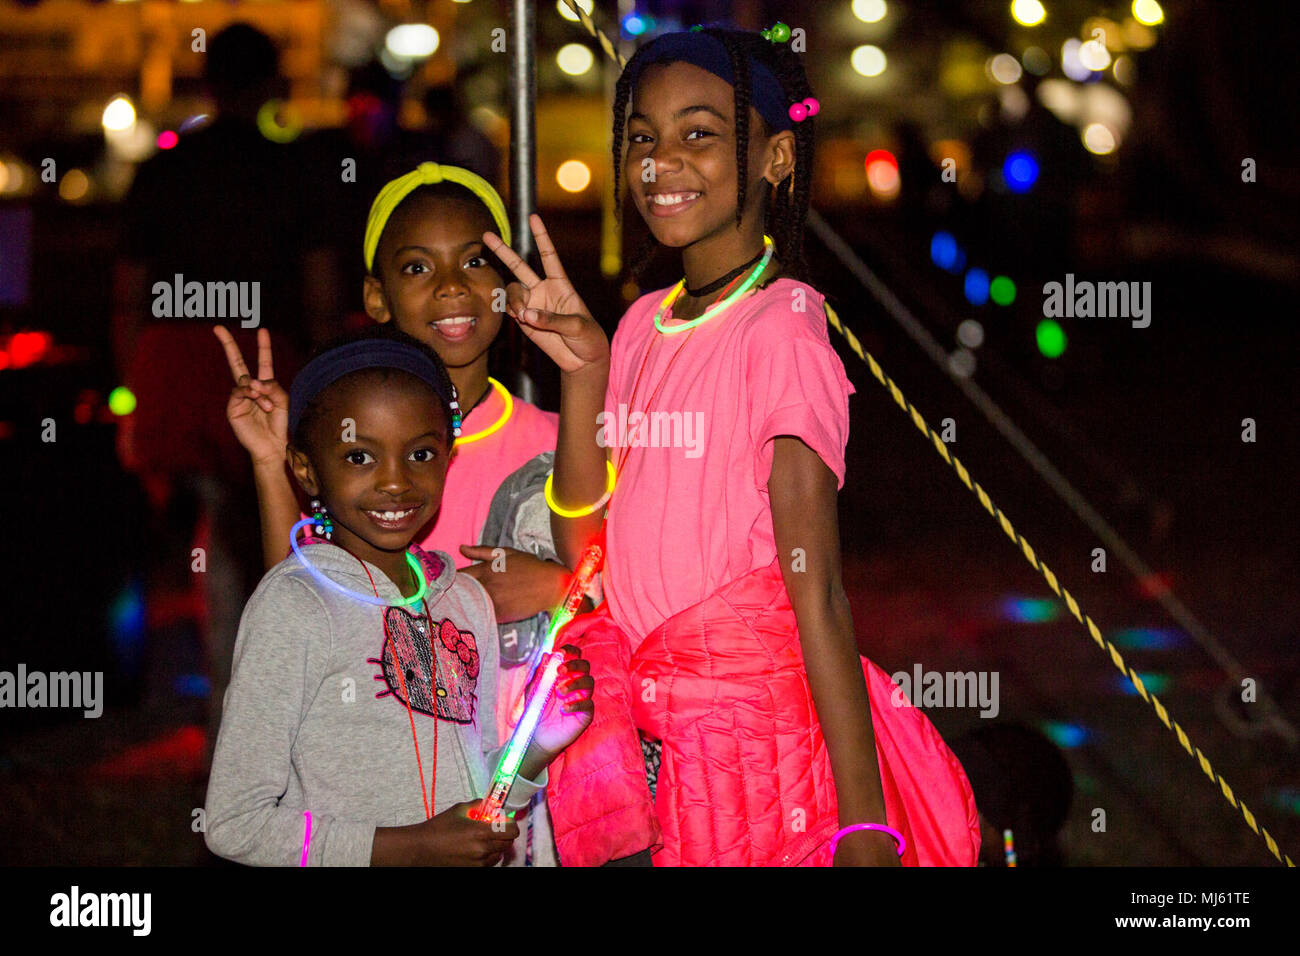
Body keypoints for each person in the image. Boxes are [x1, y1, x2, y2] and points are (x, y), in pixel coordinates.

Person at [485, 27, 982, 866]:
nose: (661, 161)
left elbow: (815, 587)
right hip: (650, 746)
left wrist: (864, 825)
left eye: (699, 133)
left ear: (775, 157)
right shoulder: (644, 325)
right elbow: (586, 545)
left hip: (758, 759)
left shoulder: (783, 328)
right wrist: (585, 369)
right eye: (642, 137)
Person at [213, 163, 575, 863]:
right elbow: (305, 604)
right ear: (376, 296)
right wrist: (270, 464)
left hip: (510, 792)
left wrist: (561, 590)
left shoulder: (556, 445)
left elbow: (626, 581)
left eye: (476, 260)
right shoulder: (344, 440)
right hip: (372, 806)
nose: (450, 287)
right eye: (417, 266)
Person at [113, 23, 331, 760]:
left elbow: (130, 293)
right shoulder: (294, 171)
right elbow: (320, 286)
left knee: (210, 536)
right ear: (272, 85)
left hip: (178, 366)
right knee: (257, 534)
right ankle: (248, 716)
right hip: (265, 365)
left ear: (207, 85)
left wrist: (132, 389)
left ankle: (221, 713)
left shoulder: (163, 170)